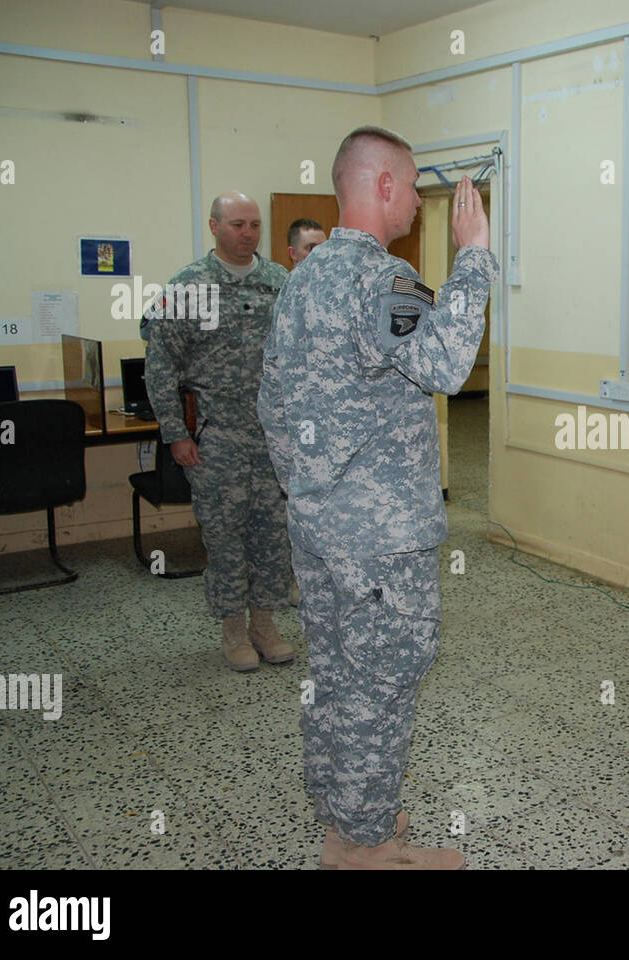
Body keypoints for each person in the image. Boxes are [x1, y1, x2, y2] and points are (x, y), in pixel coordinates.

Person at [258, 126, 496, 870]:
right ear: (386, 186)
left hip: (320, 529)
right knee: (382, 682)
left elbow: (269, 403)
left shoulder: (301, 277)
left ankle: (342, 815)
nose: (420, 205)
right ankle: (363, 846)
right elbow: (451, 362)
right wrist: (475, 257)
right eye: (413, 184)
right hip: (379, 540)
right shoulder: (378, 277)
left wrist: (310, 490)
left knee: (336, 674)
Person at [145, 192, 295, 672]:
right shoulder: (188, 286)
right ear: (214, 226)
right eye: (236, 224)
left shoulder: (280, 282)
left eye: (254, 224)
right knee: (225, 536)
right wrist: (175, 433)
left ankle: (265, 624)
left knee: (273, 536)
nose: (247, 233)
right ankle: (233, 629)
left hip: (272, 438)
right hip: (216, 436)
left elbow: (301, 358)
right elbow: (160, 363)